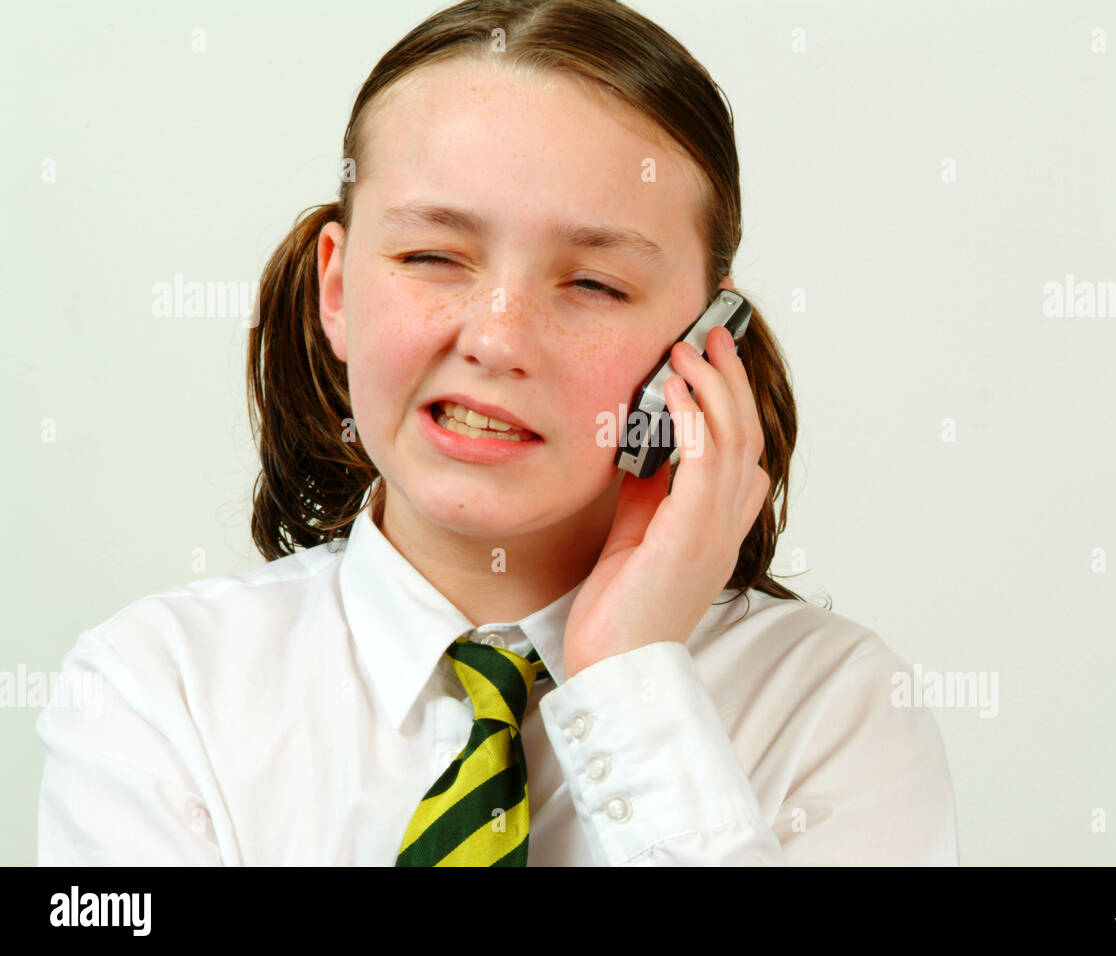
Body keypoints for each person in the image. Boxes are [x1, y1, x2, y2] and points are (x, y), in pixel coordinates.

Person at [35, 0, 958, 865]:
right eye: (432, 257)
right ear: (340, 291)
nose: (498, 340)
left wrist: (631, 683)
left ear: (706, 344)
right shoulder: (158, 692)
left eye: (595, 283)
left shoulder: (835, 706)